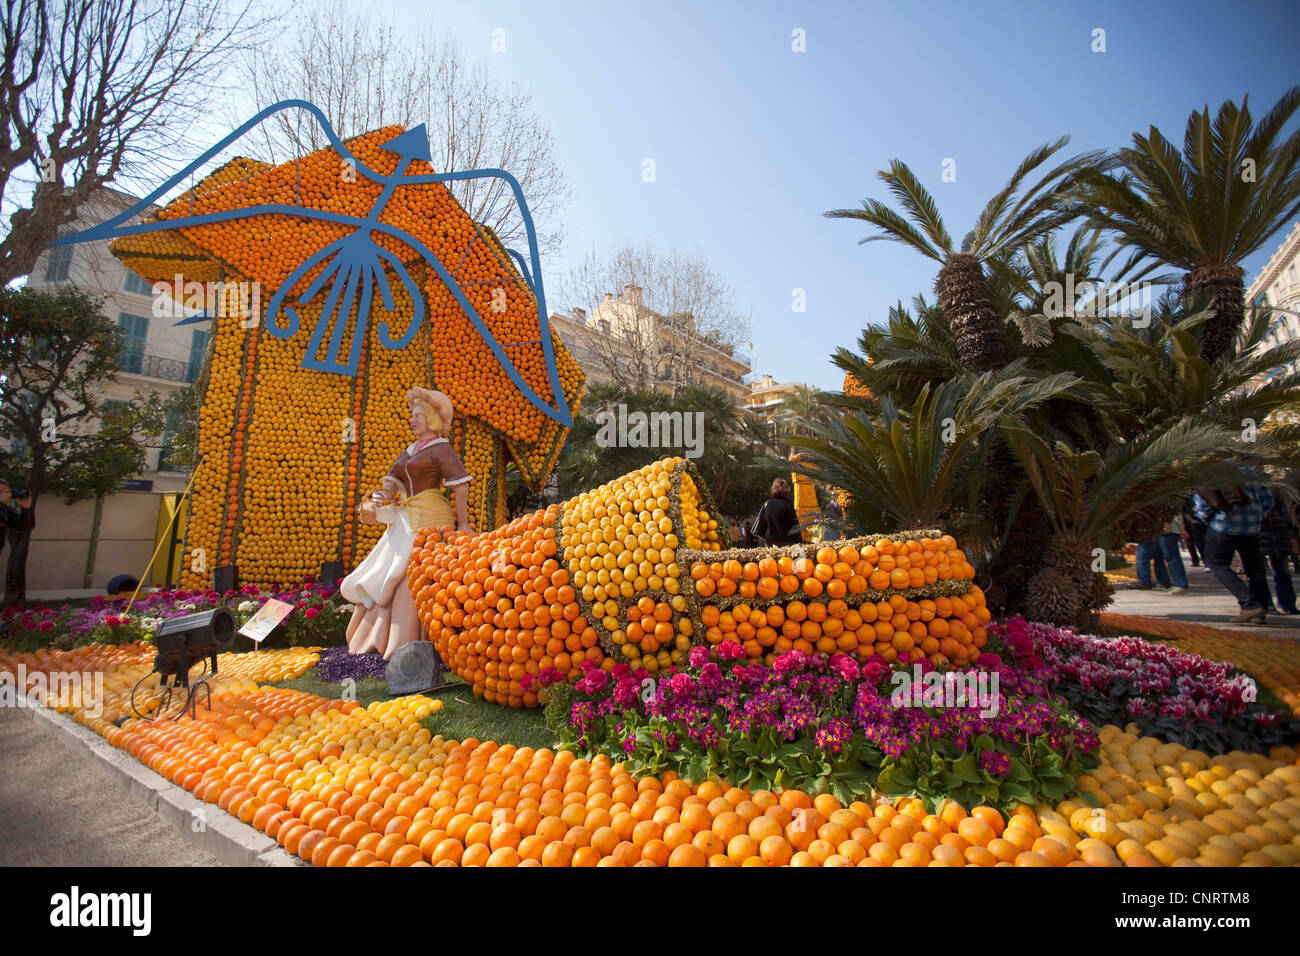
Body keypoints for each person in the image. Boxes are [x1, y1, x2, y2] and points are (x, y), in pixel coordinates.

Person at [341, 388, 472, 659]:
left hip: (432, 518)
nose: (413, 420)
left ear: (433, 418)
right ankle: (376, 638)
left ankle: (414, 640)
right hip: (404, 520)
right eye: (412, 415)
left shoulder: (442, 449)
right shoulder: (410, 451)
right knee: (388, 570)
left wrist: (464, 525)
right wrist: (383, 495)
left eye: (418, 415)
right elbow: (392, 482)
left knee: (414, 574)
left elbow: (460, 486)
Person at [1194, 479, 1273, 625]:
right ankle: (1259, 613)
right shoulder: (1253, 473)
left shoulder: (1212, 473)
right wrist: (1257, 515)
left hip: (1224, 525)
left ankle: (1250, 604)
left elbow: (1201, 504)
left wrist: (1207, 519)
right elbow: (1268, 500)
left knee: (1216, 563)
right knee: (1255, 569)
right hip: (1251, 528)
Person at [1258, 495, 1298, 614]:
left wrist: (1291, 535)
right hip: (1258, 535)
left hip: (1279, 535)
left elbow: (1286, 514)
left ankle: (1288, 604)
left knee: (1283, 572)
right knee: (1259, 573)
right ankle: (1267, 605)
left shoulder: (1275, 492)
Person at [0, 481, 34, 607]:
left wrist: (26, 509)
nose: (4, 495)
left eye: (6, 492)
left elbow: (24, 527)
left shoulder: (5, 510)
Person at [751, 477, 800, 546]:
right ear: (786, 490)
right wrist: (799, 541)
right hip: (786, 542)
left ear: (773, 489)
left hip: (769, 542)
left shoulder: (767, 504)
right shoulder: (788, 505)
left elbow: (762, 525)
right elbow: (795, 526)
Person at [1181, 496, 1207, 569]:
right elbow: (1183, 511)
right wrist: (1191, 521)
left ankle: (1204, 560)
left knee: (1200, 541)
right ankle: (1195, 560)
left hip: (1198, 522)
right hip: (1188, 523)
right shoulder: (1185, 498)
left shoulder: (1196, 496)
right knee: (1190, 542)